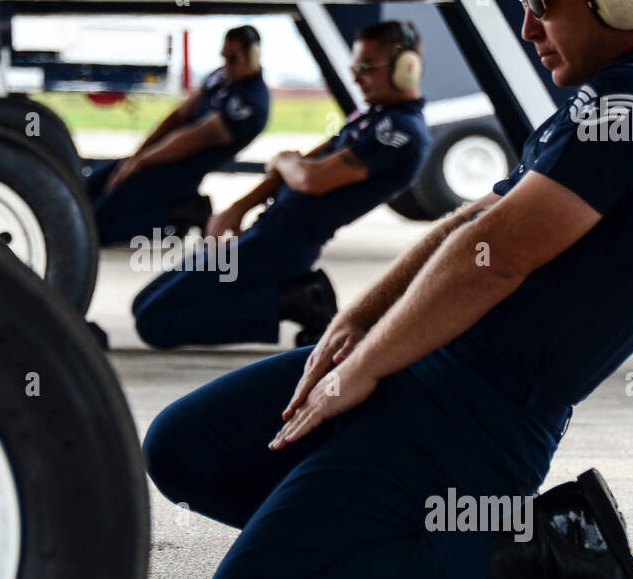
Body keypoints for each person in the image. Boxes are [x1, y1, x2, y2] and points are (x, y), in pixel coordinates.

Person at [143, 0, 633, 579]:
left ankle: (531, 551)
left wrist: (362, 368)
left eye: (542, 2)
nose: (528, 28)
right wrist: (356, 323)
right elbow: (474, 220)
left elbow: (497, 253)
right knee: (183, 447)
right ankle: (449, 567)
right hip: (426, 359)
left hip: (473, 414)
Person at [132, 20, 431, 348]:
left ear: (406, 68)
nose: (357, 78)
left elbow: (310, 178)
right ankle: (288, 296)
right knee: (142, 304)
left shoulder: (401, 133)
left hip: (282, 248)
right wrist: (236, 209)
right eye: (355, 68)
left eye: (366, 67)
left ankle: (296, 301)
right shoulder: (371, 118)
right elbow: (297, 167)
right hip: (263, 231)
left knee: (155, 323)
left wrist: (284, 162)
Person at [83, 26, 270, 244]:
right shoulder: (220, 77)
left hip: (179, 172)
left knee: (96, 227)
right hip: (159, 156)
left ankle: (182, 213)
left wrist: (141, 160)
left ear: (252, 57)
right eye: (224, 57)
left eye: (233, 59)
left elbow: (193, 138)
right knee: (89, 187)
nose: (227, 65)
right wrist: (136, 156)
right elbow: (179, 115)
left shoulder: (250, 103)